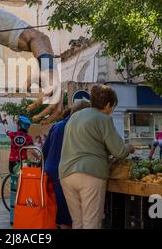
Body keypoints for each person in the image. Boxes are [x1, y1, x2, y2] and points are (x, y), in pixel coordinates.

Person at [59, 85, 135, 229]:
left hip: (66, 173)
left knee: (78, 222)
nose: (111, 110)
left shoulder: (74, 116)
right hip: (90, 174)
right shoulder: (103, 119)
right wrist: (129, 148)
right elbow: (119, 151)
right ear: (107, 104)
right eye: (112, 106)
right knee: (91, 223)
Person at [42, 100, 91, 229]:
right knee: (67, 216)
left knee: (59, 210)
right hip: (65, 172)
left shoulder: (57, 125)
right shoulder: (77, 127)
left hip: (51, 171)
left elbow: (44, 151)